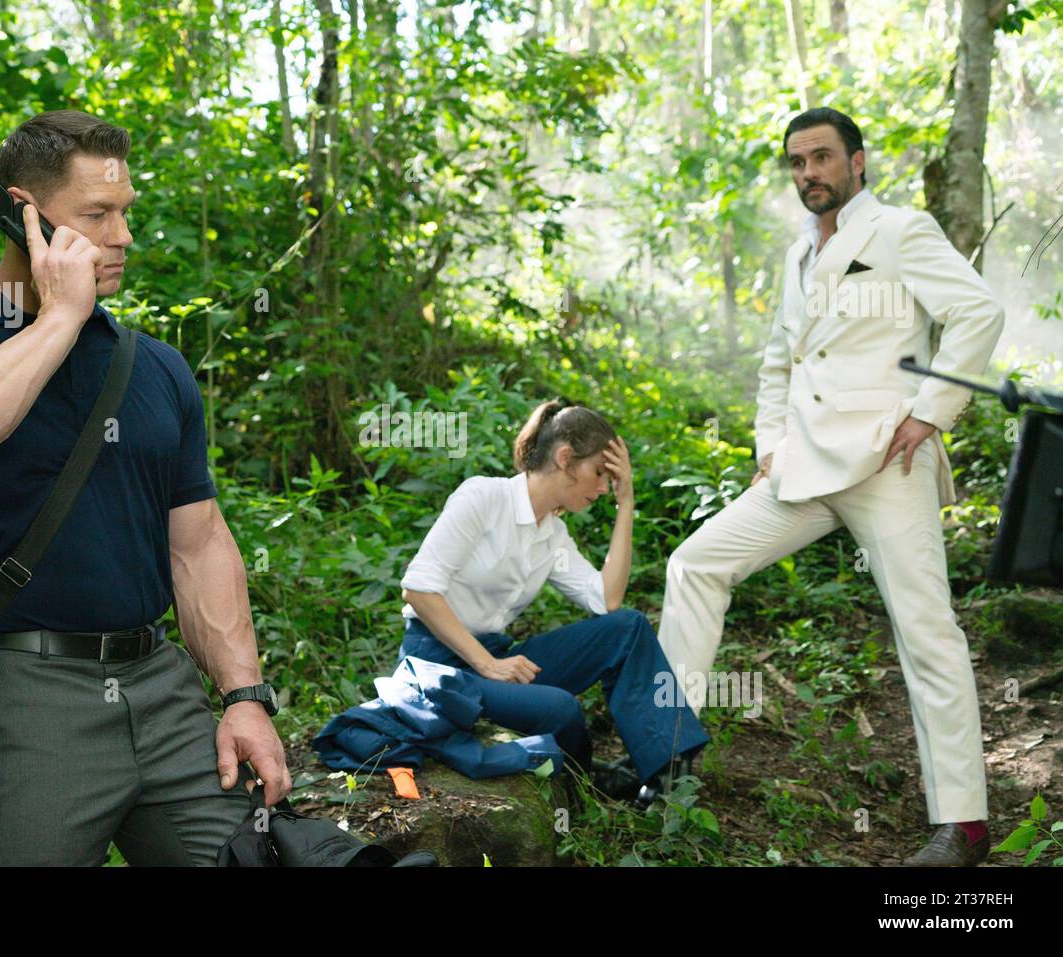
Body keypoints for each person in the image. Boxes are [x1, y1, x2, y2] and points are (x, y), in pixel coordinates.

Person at [0, 110, 289, 865]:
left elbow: (198, 544)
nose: (123, 236)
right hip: (29, 694)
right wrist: (60, 316)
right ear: (22, 213)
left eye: (125, 212)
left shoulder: (155, 368)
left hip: (163, 687)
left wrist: (244, 697)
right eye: (97, 215)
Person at [657, 108, 1005, 866]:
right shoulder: (795, 257)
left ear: (857, 160)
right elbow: (780, 360)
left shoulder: (902, 230)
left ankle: (964, 823)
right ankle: (667, 754)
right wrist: (769, 445)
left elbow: (978, 313)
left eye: (821, 157)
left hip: (888, 463)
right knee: (694, 563)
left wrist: (931, 415)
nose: (808, 172)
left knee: (926, 630)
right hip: (803, 468)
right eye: (796, 161)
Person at [399, 399, 708, 802]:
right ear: (565, 458)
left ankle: (668, 778)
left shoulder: (553, 536)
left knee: (627, 628)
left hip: (497, 658)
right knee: (558, 709)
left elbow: (607, 600)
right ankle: (585, 787)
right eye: (599, 472)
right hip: (438, 666)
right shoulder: (483, 498)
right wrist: (487, 663)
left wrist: (626, 502)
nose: (602, 486)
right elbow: (419, 589)